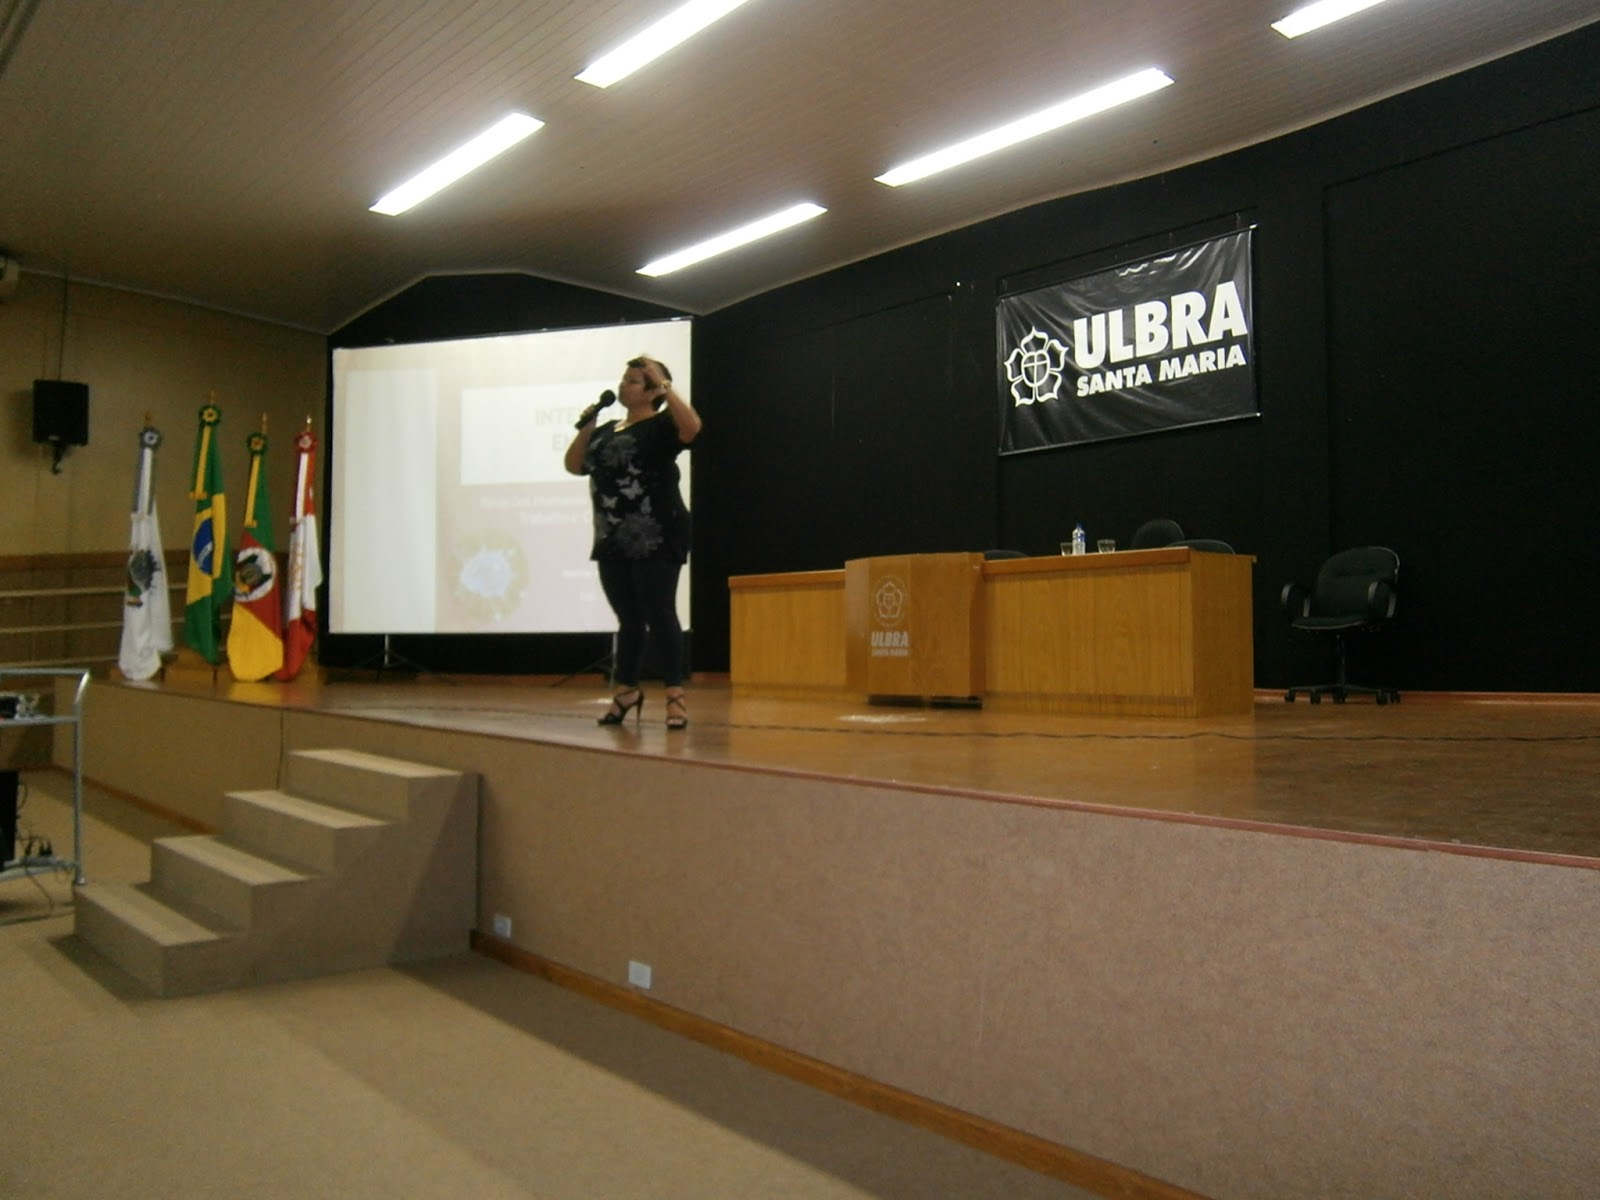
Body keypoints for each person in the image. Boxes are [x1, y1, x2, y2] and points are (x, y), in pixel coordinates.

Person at [565, 355, 702, 729]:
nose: (625, 384)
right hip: (612, 536)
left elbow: (691, 430)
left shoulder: (661, 425)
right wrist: (587, 425)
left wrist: (665, 385)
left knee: (660, 613)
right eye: (624, 379)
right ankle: (627, 690)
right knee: (629, 617)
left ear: (653, 391)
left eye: (635, 381)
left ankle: (675, 695)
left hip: (656, 531)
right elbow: (575, 466)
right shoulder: (607, 429)